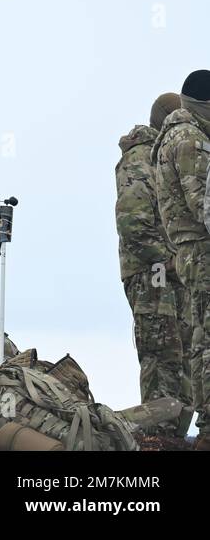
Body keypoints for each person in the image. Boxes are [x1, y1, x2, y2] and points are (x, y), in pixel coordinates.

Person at [116, 93, 186, 434]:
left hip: (172, 274)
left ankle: (176, 429)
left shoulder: (165, 156)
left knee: (182, 353)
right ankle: (161, 434)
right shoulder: (141, 158)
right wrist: (171, 259)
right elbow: (133, 225)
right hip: (152, 274)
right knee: (161, 354)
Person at [154, 70, 210, 449]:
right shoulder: (191, 140)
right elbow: (204, 203)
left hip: (191, 253)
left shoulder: (174, 136)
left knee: (201, 336)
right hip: (203, 252)